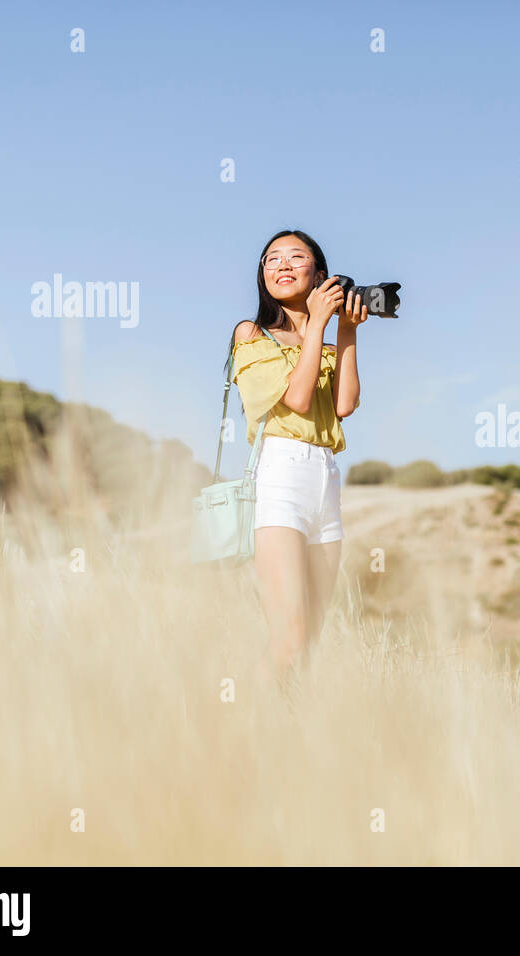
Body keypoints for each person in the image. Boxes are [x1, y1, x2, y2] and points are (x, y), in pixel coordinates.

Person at [228, 229, 368, 680]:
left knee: (309, 643)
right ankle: (241, 725)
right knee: (287, 639)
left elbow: (345, 404)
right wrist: (318, 325)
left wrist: (345, 330)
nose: (282, 266)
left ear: (321, 276)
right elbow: (300, 399)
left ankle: (288, 742)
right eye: (271, 259)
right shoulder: (252, 334)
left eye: (295, 257)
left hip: (325, 480)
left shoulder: (325, 344)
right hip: (281, 478)